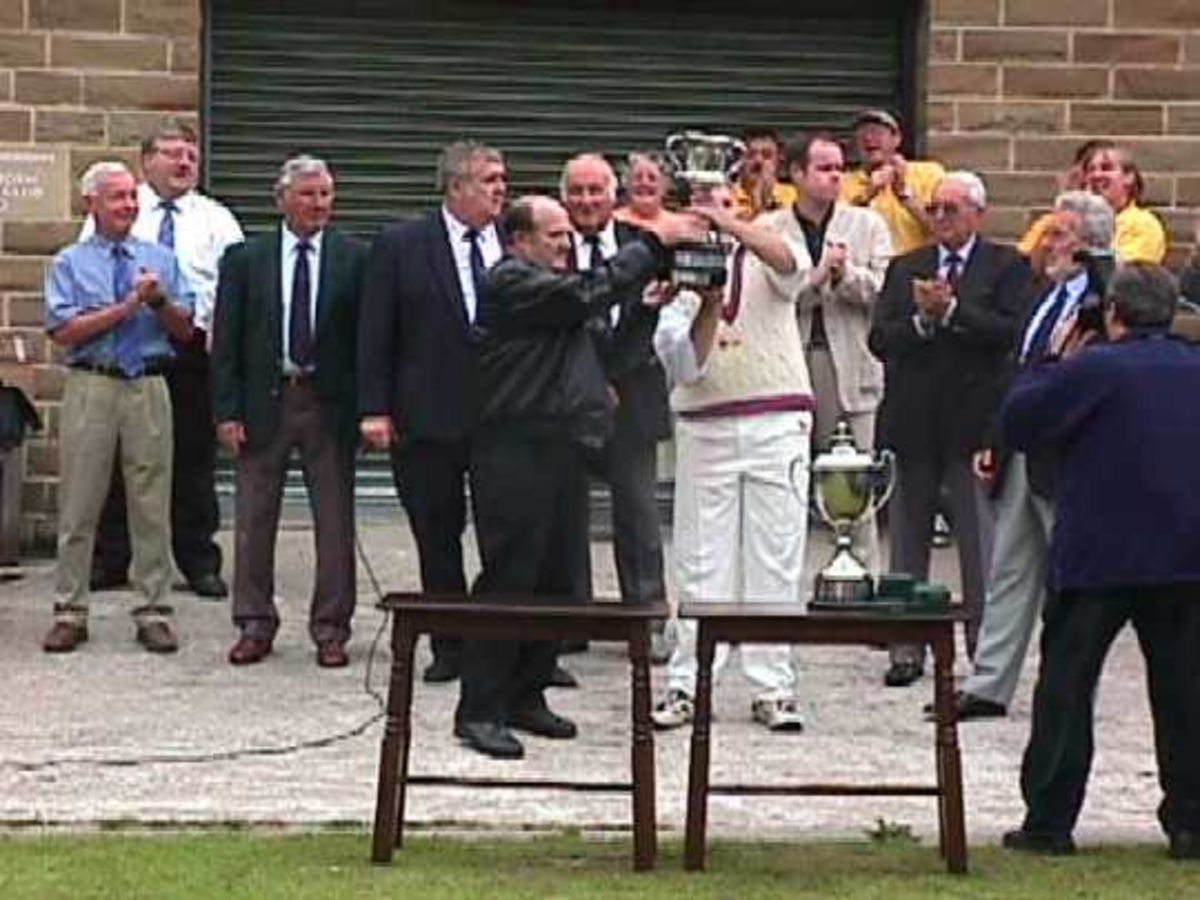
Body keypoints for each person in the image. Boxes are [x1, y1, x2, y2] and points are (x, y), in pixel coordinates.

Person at [454, 195, 702, 760]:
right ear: (519, 240)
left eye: (569, 236)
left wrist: (645, 306)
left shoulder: (559, 296)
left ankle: (528, 692)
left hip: (565, 444)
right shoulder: (511, 283)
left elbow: (607, 355)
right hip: (513, 447)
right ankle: (480, 708)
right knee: (510, 578)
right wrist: (655, 240)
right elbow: (587, 293)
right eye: (554, 236)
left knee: (555, 579)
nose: (566, 245)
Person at [999, 264, 1200, 861]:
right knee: (1186, 692)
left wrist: (1052, 360)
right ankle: (1190, 821)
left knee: (1066, 686)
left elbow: (1020, 422)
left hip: (1098, 554)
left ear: (1113, 313)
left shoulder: (1095, 367)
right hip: (1184, 552)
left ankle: (1050, 821)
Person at [651, 184, 816, 734]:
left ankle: (773, 686)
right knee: (701, 559)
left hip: (778, 417)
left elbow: (797, 269)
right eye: (699, 204)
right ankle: (688, 683)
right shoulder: (674, 272)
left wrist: (732, 228)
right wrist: (705, 304)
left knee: (776, 555)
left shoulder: (770, 243)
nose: (710, 213)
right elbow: (682, 363)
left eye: (720, 200)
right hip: (707, 423)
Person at [946, 191, 1114, 721]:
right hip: (1024, 443)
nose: (1049, 242)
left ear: (1088, 242)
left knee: (1070, 574)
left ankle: (1070, 687)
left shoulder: (1107, 295)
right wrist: (995, 438)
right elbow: (1016, 370)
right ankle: (989, 684)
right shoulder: (1047, 291)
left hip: (1068, 452)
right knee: (1011, 567)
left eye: (1061, 233)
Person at [868, 171, 1031, 687]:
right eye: (935, 209)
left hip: (974, 424)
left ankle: (985, 651)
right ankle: (907, 648)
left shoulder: (1007, 266)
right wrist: (920, 323)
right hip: (914, 422)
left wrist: (955, 312)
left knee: (979, 545)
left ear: (978, 214)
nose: (940, 218)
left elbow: (1012, 331)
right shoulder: (906, 268)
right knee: (907, 543)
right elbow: (880, 338)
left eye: (951, 210)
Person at [358, 141, 507, 684]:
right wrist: (373, 407)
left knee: (504, 534)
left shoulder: (514, 239)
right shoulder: (402, 244)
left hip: (501, 416)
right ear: (456, 187)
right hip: (426, 414)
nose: (500, 189)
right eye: (488, 179)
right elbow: (376, 329)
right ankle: (450, 645)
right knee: (437, 533)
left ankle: (503, 642)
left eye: (502, 178)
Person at [211, 156, 364, 668]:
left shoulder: (355, 257)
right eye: (307, 195)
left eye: (325, 194)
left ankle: (331, 629)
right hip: (264, 402)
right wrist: (226, 412)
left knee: (335, 522)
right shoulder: (245, 259)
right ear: (281, 200)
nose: (318, 204)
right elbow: (226, 343)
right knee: (254, 519)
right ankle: (254, 623)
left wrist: (369, 409)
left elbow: (369, 341)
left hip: (329, 405)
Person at [42, 161, 196, 654]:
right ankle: (70, 609)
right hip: (93, 384)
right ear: (92, 204)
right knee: (80, 502)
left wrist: (158, 301)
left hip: (147, 387)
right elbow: (64, 331)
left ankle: (153, 609)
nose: (128, 206)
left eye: (132, 197)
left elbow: (186, 331)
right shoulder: (69, 262)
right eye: (117, 198)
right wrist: (127, 307)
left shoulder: (160, 259)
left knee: (151, 502)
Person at [85, 119, 243, 599]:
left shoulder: (216, 219)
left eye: (191, 156)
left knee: (193, 457)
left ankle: (197, 559)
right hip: (128, 343)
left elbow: (234, 286)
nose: (183, 163)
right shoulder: (120, 208)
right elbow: (87, 265)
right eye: (172, 154)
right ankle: (113, 557)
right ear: (146, 160)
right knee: (119, 456)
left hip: (192, 349)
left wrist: (222, 333)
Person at [561, 153, 673, 662]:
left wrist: (610, 378)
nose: (586, 201)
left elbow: (658, 318)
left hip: (633, 395)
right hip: (564, 400)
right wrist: (587, 381)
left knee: (638, 512)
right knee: (564, 513)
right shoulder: (549, 244)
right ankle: (571, 620)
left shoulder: (643, 249)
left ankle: (645, 620)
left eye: (595, 191)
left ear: (615, 195)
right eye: (577, 191)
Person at [1018, 141, 1166, 268]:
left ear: (1129, 177)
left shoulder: (1143, 224)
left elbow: (1121, 271)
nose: (1096, 175)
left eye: (1106, 168)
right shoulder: (1053, 220)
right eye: (1091, 170)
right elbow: (1023, 260)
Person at [840, 109, 944, 256]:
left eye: (877, 132)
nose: (869, 138)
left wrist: (904, 194)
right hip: (868, 272)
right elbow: (837, 232)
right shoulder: (842, 182)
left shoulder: (929, 173)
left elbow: (942, 229)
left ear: (896, 139)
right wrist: (868, 194)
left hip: (916, 269)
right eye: (862, 133)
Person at [733, 127, 797, 221]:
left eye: (767, 155)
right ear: (741, 160)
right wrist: (758, 206)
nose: (758, 161)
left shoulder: (794, 196)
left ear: (778, 162)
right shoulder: (728, 195)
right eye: (751, 154)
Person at [614, 152, 670, 230]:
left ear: (664, 186)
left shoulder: (679, 223)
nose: (644, 183)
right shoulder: (611, 222)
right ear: (627, 184)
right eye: (638, 178)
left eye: (652, 178)